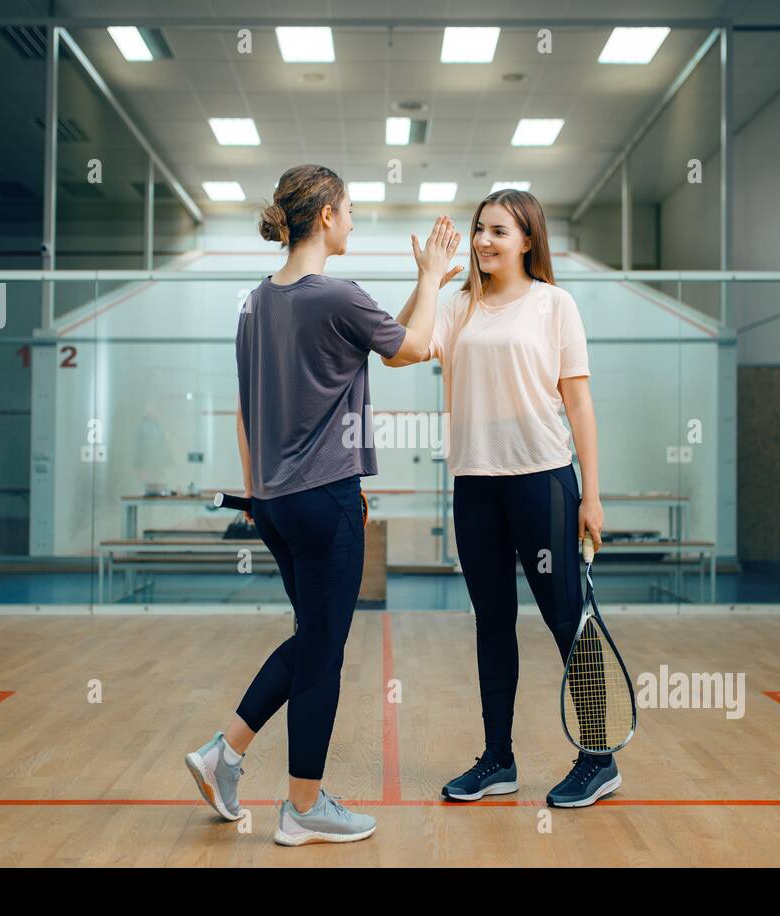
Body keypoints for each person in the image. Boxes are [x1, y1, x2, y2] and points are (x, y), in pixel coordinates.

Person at [185, 164, 461, 844]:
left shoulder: (257, 301)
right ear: (328, 215)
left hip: (274, 504)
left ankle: (225, 754)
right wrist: (430, 280)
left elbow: (250, 410)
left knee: (313, 639)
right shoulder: (336, 294)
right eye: (351, 210)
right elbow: (417, 348)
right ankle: (303, 806)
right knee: (323, 650)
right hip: (324, 502)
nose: (356, 222)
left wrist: (257, 495)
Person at [385, 188, 616, 808]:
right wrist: (429, 279)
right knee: (493, 622)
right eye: (479, 230)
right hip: (475, 485)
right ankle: (499, 759)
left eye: (498, 232)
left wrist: (590, 495)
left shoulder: (555, 305)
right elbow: (402, 350)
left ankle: (599, 756)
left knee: (568, 620)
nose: (484, 241)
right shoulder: (459, 307)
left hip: (543, 481)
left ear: (528, 240)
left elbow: (579, 403)